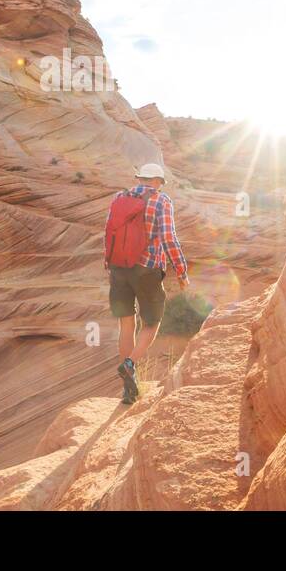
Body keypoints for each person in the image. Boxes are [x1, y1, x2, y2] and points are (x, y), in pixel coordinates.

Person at [103, 162, 189, 404]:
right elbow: (168, 237)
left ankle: (127, 390)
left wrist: (108, 262)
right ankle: (130, 364)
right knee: (152, 322)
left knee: (126, 324)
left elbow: (108, 231)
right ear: (157, 182)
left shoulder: (120, 197)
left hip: (119, 268)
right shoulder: (161, 201)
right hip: (147, 269)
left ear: (140, 178)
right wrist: (181, 270)